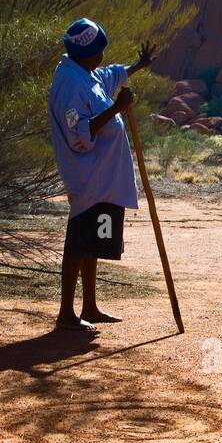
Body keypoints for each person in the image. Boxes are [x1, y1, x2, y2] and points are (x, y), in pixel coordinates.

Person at [47, 17, 155, 329]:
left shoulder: (85, 74)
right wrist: (117, 109)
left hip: (103, 178)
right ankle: (66, 314)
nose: (103, 57)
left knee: (91, 242)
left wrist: (138, 65)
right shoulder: (69, 85)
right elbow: (78, 135)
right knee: (79, 241)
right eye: (99, 50)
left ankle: (89, 307)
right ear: (85, 53)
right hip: (88, 178)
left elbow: (109, 76)